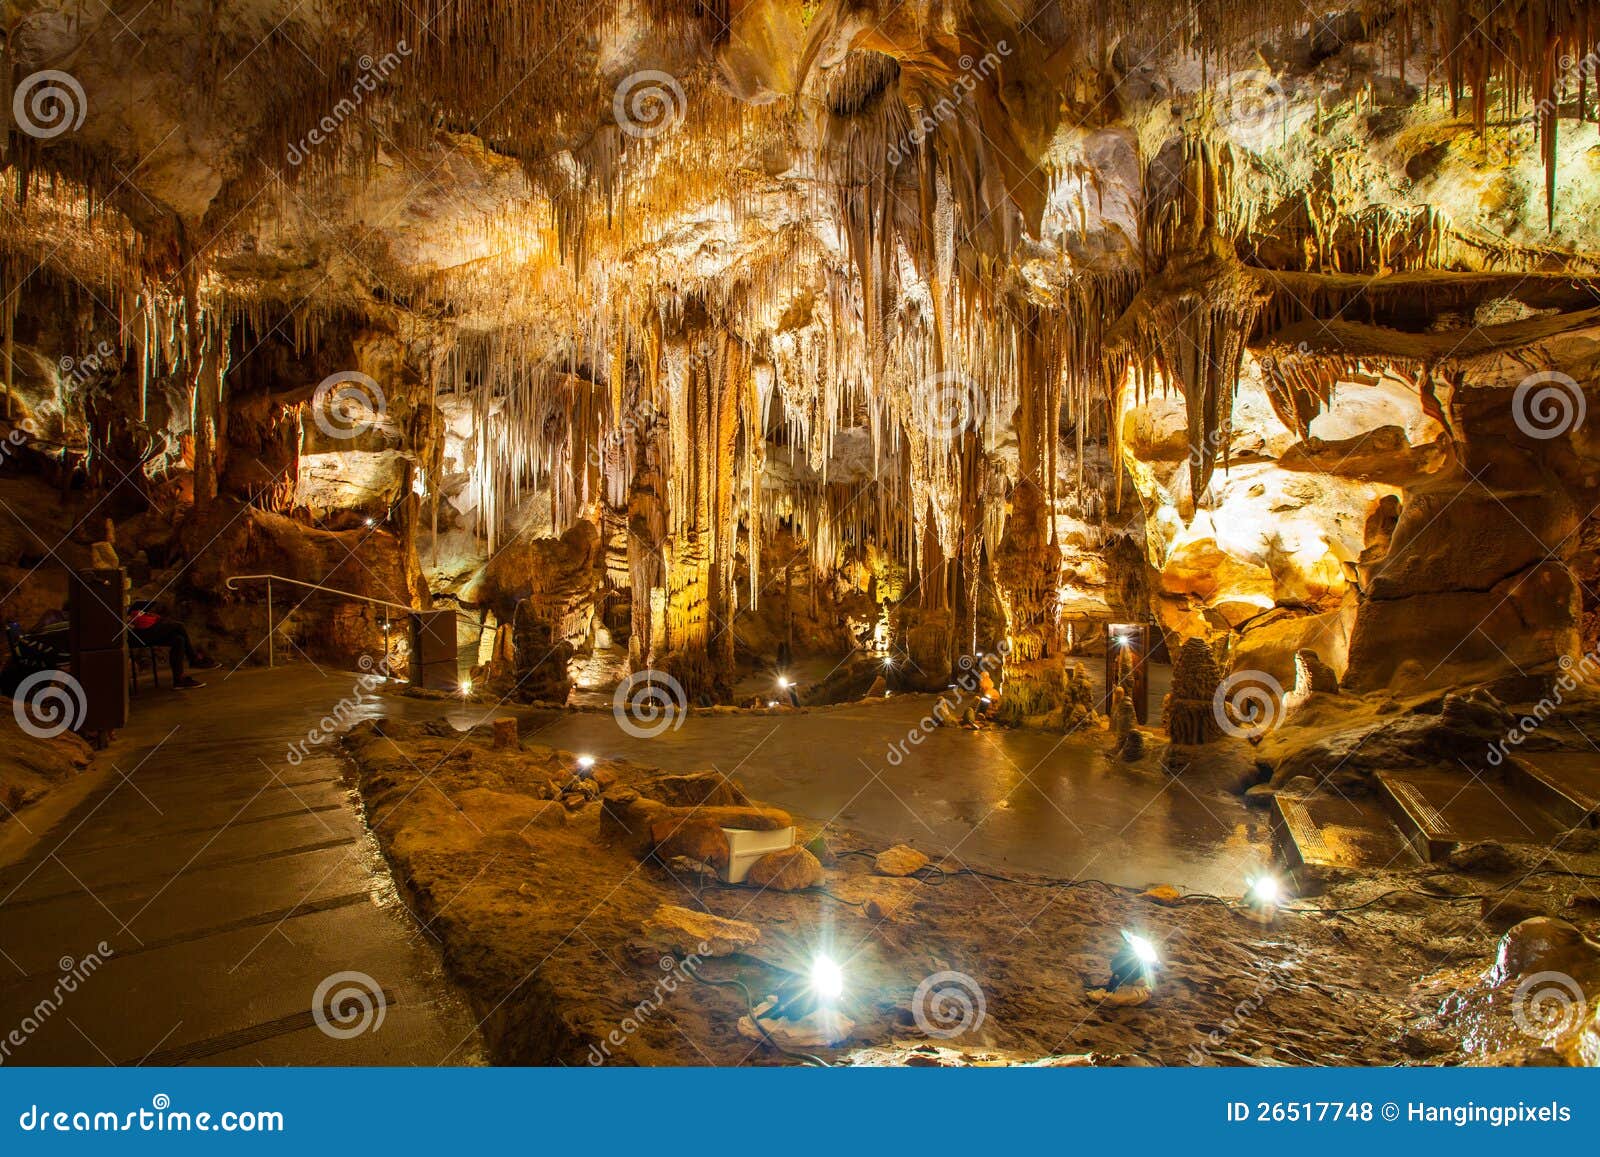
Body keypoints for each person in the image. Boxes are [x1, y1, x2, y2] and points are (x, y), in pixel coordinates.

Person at [97, 521, 215, 688]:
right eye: (109, 529)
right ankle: (194, 659)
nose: (113, 533)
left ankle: (179, 678)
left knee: (178, 639)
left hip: (129, 627)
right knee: (177, 627)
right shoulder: (103, 569)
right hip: (129, 633)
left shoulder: (110, 574)